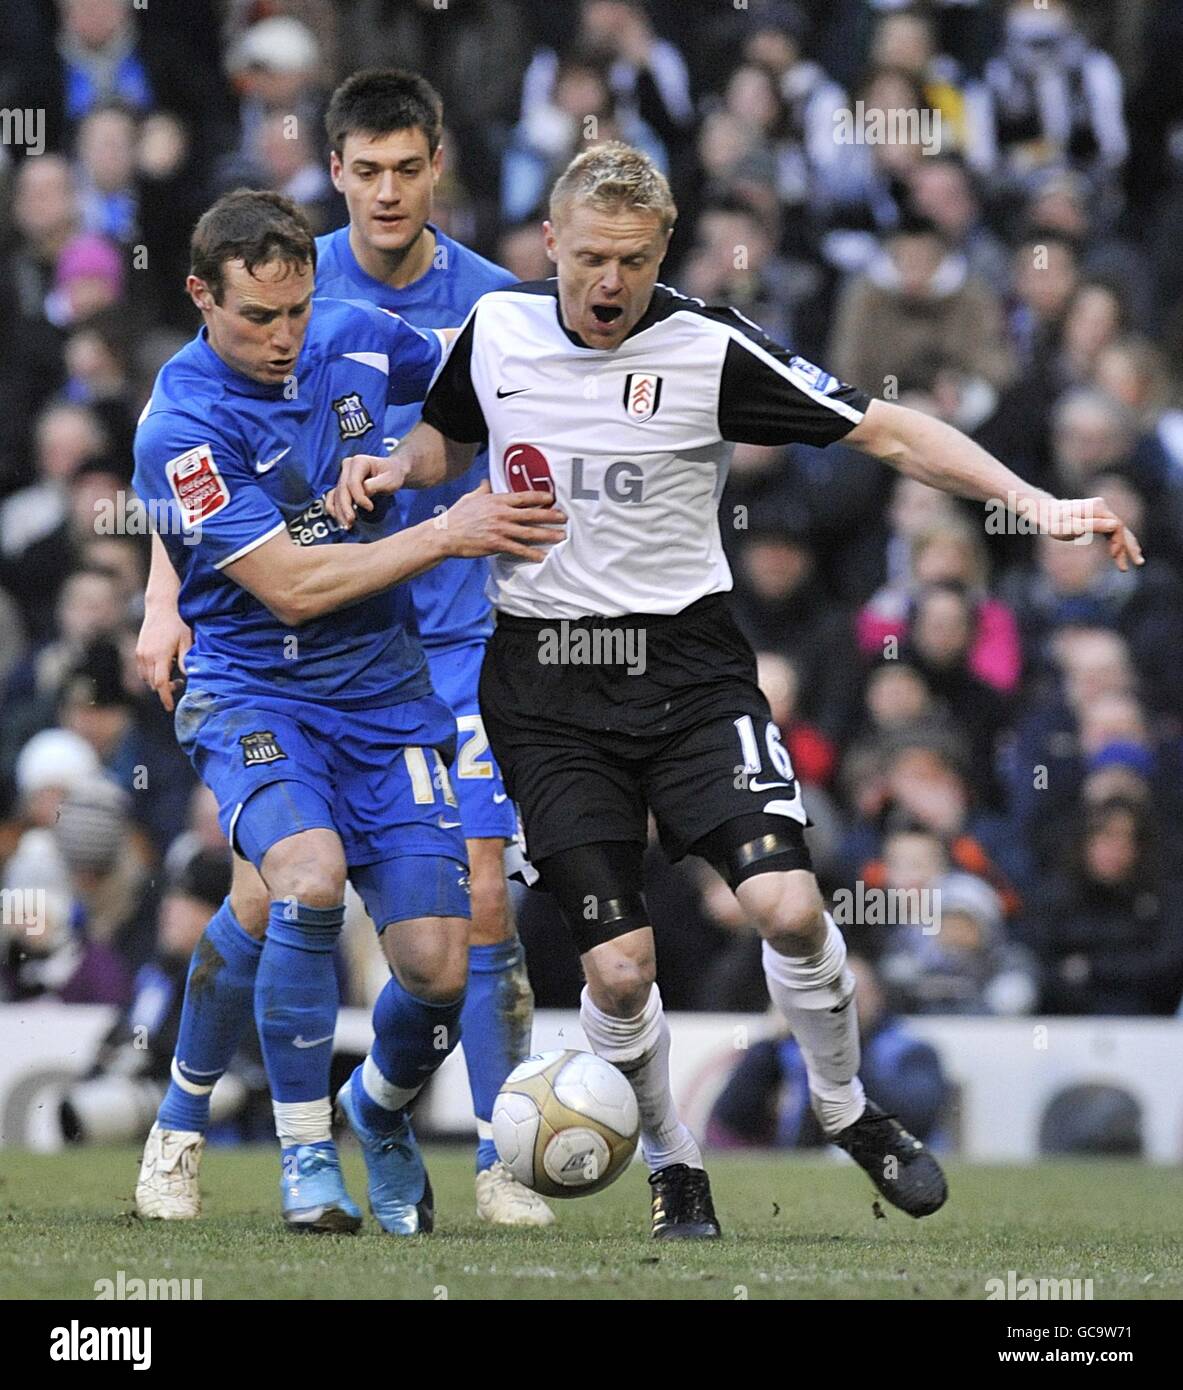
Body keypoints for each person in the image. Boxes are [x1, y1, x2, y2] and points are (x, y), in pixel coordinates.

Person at [329, 140, 1143, 1238]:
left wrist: (1035, 503)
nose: (607, 284)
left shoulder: (708, 349)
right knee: (616, 973)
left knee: (791, 907)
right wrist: (394, 466)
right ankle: (674, 1162)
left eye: (630, 259)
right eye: (588, 260)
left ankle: (847, 1107)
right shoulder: (499, 329)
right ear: (550, 246)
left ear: (661, 250)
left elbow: (884, 428)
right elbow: (447, 434)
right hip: (546, 685)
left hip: (690, 676)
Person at [135, 69, 556, 1229]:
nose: (282, 334)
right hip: (264, 670)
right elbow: (287, 579)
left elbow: (487, 408)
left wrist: (421, 467)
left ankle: (400, 1116)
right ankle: (241, 1137)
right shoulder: (184, 410)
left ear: (437, 167)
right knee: (293, 889)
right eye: (362, 170)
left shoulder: (410, 318)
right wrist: (161, 589)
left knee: (452, 938)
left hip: (435, 660)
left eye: (405, 167)